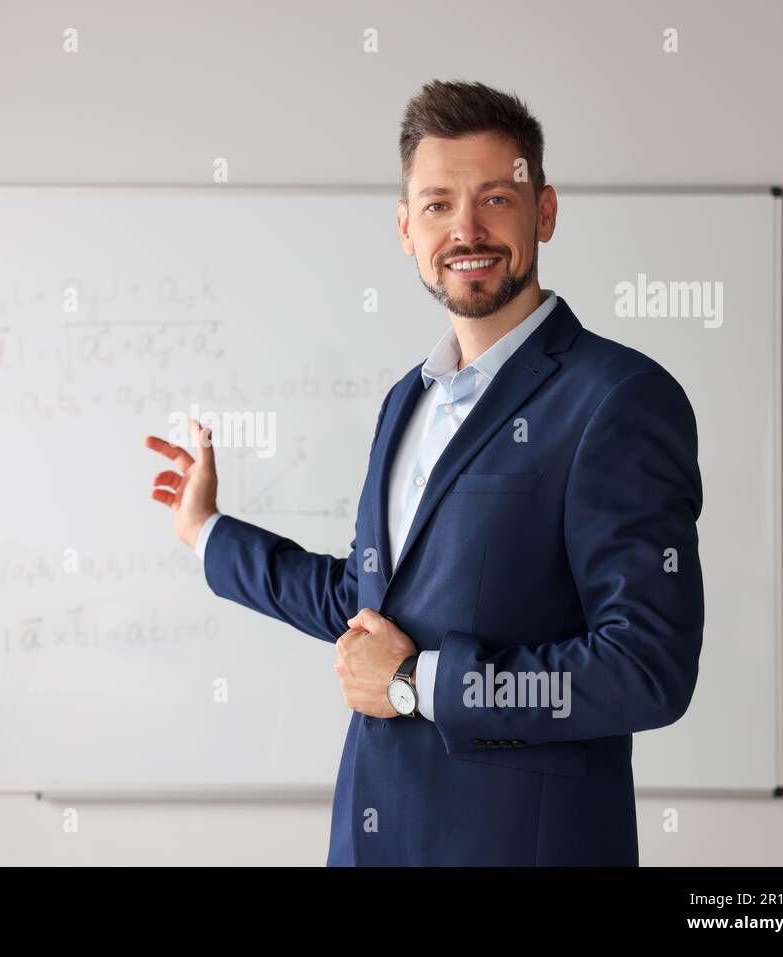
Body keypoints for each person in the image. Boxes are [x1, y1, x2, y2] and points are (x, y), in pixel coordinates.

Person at [143, 79, 703, 866]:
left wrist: (415, 683)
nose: (466, 228)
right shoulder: (408, 400)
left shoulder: (618, 399)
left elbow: (646, 667)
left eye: (495, 199)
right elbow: (365, 603)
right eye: (438, 204)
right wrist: (205, 531)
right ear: (407, 228)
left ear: (543, 211)